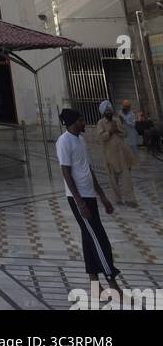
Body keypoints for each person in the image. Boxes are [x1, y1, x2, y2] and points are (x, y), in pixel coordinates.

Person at [56, 108, 121, 292]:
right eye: (81, 120)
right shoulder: (64, 142)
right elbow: (66, 173)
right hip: (78, 198)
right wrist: (80, 203)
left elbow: (87, 169)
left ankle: (94, 283)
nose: (84, 123)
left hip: (89, 194)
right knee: (99, 239)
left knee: (88, 237)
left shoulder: (80, 140)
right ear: (73, 122)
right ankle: (112, 284)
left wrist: (102, 195)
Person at [96, 101, 137, 206]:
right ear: (103, 112)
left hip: (121, 154)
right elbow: (101, 138)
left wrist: (117, 129)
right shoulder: (101, 123)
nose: (109, 112)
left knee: (126, 177)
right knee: (113, 179)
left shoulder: (116, 120)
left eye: (110, 110)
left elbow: (125, 133)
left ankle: (130, 199)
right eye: (107, 111)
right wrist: (110, 131)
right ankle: (117, 199)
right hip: (110, 155)